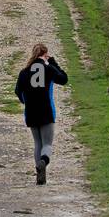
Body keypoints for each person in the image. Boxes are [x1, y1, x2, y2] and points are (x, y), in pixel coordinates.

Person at [14, 43, 69, 185]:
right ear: (45, 55)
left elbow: (18, 91)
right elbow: (64, 79)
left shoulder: (24, 72)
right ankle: (43, 162)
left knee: (37, 142)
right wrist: (52, 62)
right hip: (46, 111)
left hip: (31, 112)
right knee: (47, 144)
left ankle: (39, 175)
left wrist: (24, 101)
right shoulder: (49, 69)